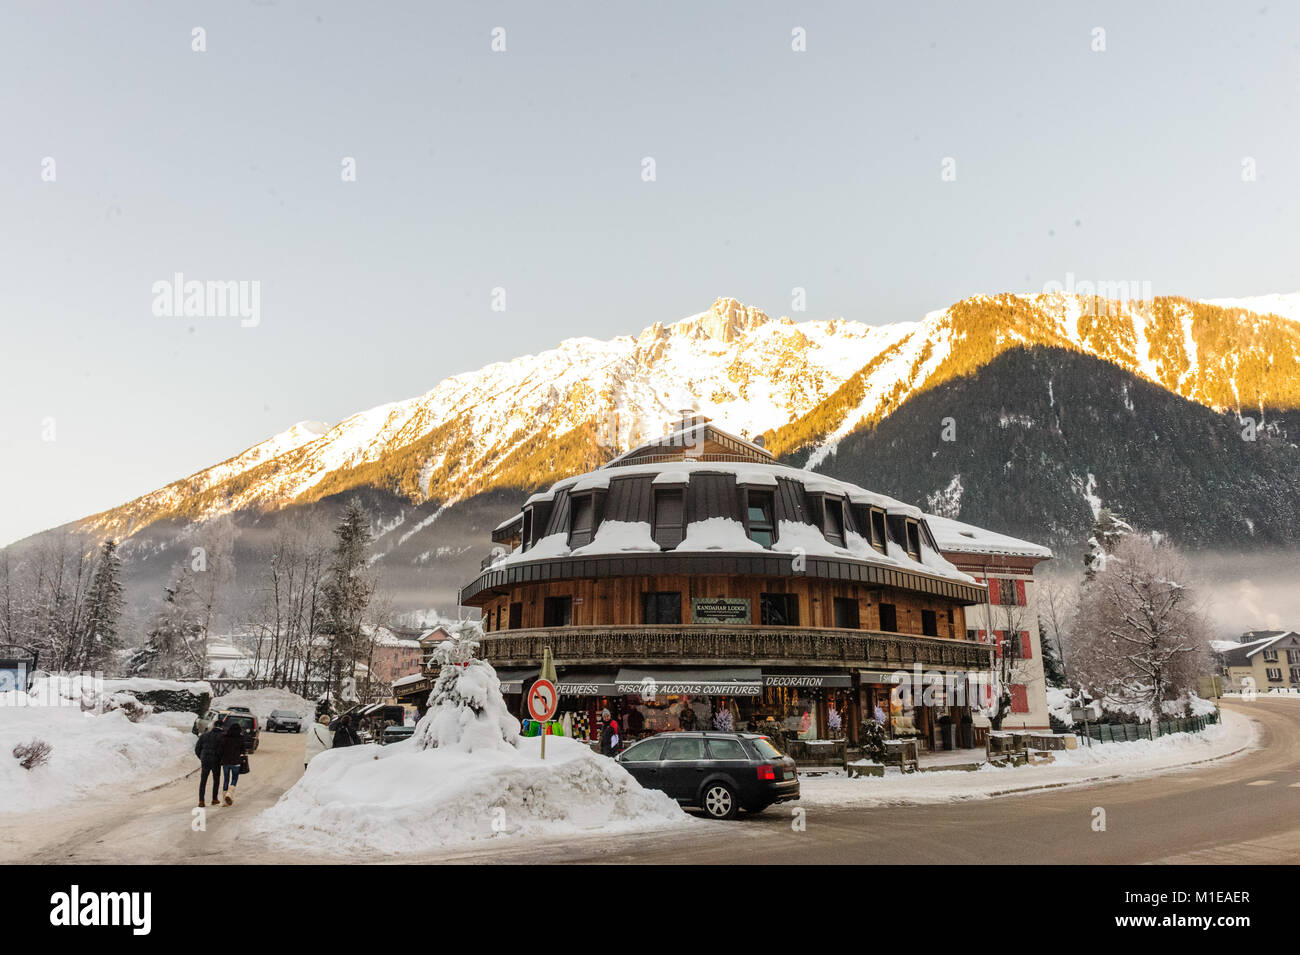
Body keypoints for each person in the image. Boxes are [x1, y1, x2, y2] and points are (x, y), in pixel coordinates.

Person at [194, 721, 225, 807]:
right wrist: (221, 759)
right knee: (216, 780)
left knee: (203, 781)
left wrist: (202, 757)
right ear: (222, 727)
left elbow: (197, 748)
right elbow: (223, 750)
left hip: (205, 760)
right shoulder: (222, 736)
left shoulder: (204, 735)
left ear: (214, 726)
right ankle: (214, 799)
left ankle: (201, 801)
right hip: (216, 761)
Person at [218, 722, 247, 806]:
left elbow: (220, 750)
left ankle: (224, 801)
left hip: (226, 762)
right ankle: (229, 793)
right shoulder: (240, 738)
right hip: (236, 762)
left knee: (226, 780)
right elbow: (243, 750)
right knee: (234, 778)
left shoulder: (225, 738)